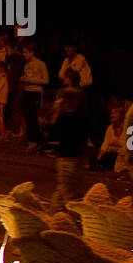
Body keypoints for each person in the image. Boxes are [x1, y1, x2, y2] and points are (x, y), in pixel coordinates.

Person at [48, 72, 86, 212]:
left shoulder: (66, 117)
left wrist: (56, 113)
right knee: (68, 191)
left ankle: (62, 219)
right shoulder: (80, 116)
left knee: (67, 193)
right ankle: (56, 217)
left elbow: (52, 134)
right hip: (77, 157)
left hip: (67, 158)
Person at [21, 41, 49, 153]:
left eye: (26, 52)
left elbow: (46, 80)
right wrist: (24, 79)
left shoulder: (40, 64)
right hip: (27, 91)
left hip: (36, 92)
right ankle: (32, 138)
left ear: (32, 52)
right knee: (27, 115)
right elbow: (28, 76)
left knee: (33, 117)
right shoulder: (27, 64)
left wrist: (31, 80)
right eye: (23, 52)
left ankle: (35, 141)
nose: (24, 54)